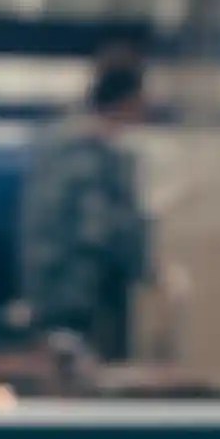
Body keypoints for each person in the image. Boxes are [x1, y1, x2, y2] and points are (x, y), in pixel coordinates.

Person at [17, 47, 151, 362]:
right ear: (128, 100)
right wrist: (140, 256)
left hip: (65, 298)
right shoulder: (87, 155)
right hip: (79, 301)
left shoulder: (63, 147)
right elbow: (95, 230)